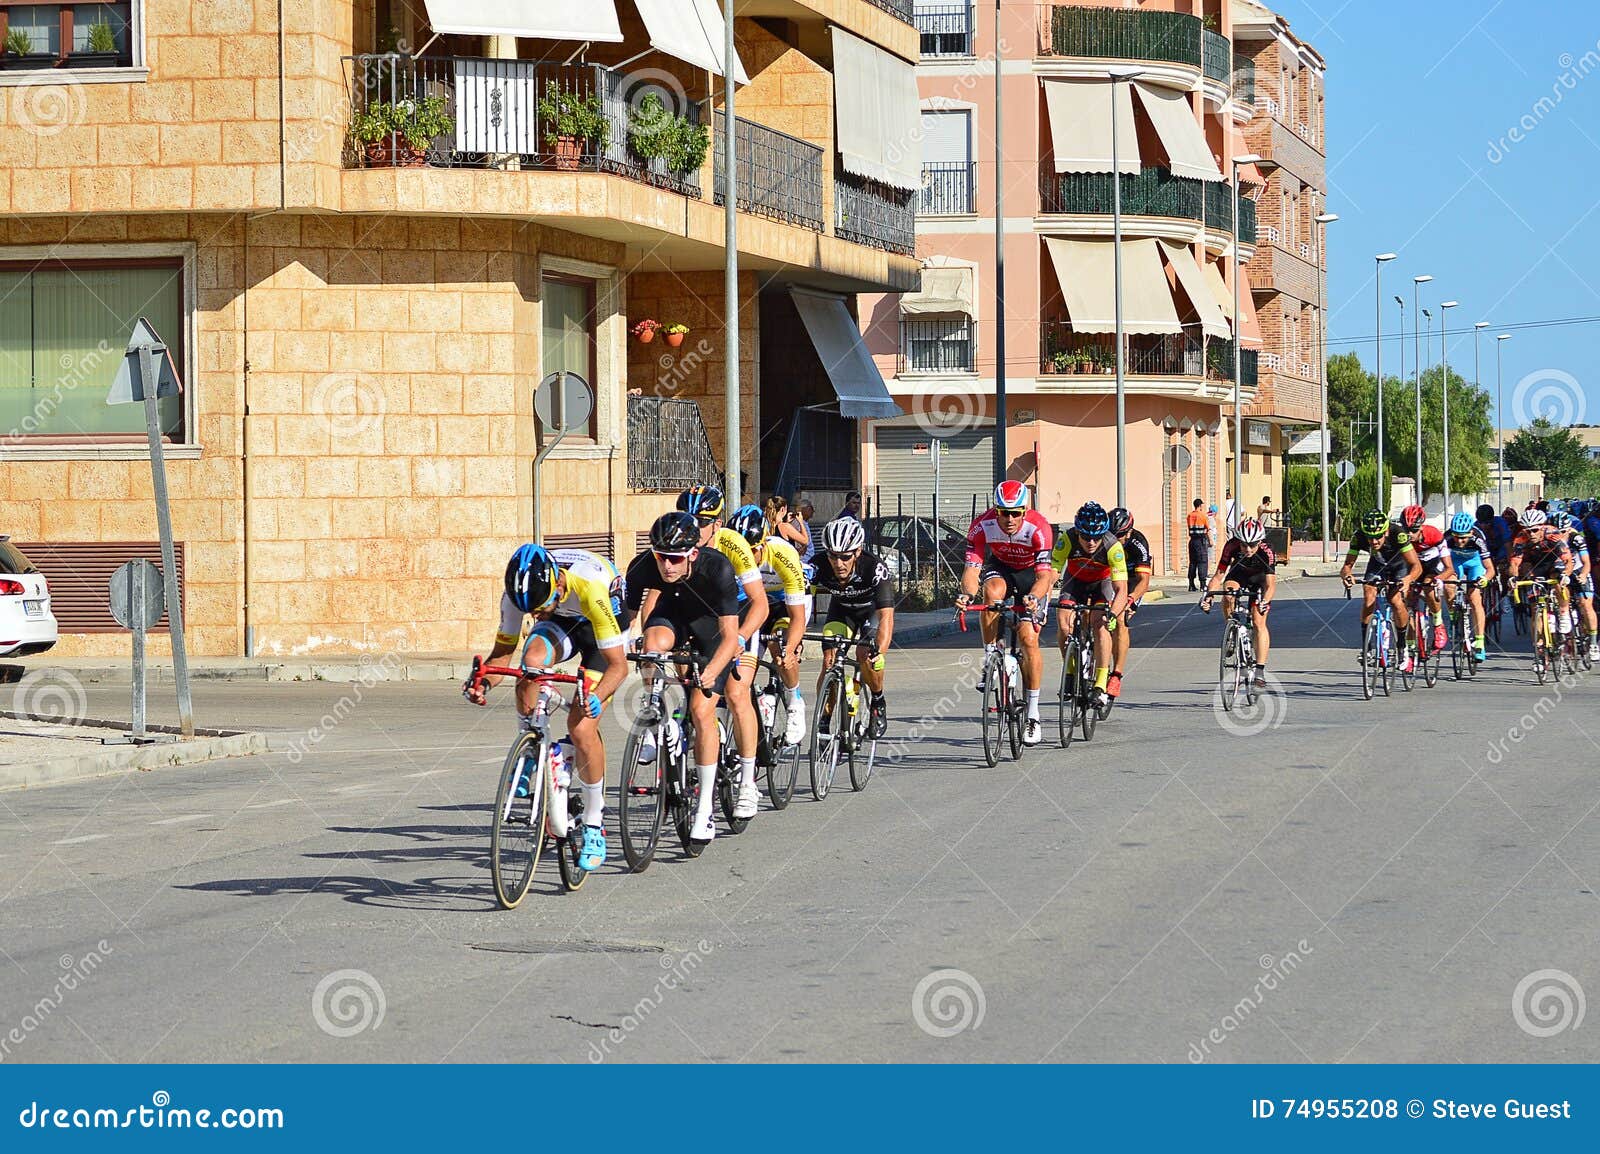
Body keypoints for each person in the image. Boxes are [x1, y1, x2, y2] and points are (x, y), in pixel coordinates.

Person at [465, 543, 630, 872]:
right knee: (531, 663)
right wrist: (483, 683)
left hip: (601, 625)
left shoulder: (590, 588)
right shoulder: (518, 597)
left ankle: (594, 823)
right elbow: (502, 656)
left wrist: (596, 697)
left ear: (558, 584)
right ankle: (531, 750)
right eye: (529, 611)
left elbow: (619, 667)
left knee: (581, 727)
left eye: (539, 607)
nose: (534, 615)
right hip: (562, 621)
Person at [624, 512, 744, 845]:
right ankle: (657, 714)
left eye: (675, 559)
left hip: (711, 627)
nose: (667, 566)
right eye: (661, 557)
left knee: (702, 711)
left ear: (692, 553)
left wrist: (712, 670)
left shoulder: (717, 568)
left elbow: (730, 637)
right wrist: (621, 648)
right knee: (651, 647)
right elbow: (626, 621)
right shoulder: (643, 566)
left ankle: (705, 809)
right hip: (673, 615)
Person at [674, 484, 767, 821]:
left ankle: (747, 783)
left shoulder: (733, 544)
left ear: (716, 523)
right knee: (687, 681)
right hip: (700, 617)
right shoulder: (676, 540)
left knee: (736, 692)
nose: (693, 528)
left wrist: (741, 637)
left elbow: (760, 603)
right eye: (688, 519)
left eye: (701, 522)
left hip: (737, 617)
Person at [956, 480, 1055, 744]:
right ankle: (990, 656)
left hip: (1031, 574)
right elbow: (972, 570)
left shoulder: (1039, 527)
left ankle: (1032, 714)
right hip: (1001, 568)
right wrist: (967, 595)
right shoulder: (982, 525)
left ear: (1024, 511)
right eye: (1003, 512)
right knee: (992, 592)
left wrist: (1034, 597)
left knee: (1028, 638)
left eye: (1015, 513)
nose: (1009, 519)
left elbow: (1045, 577)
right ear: (995, 510)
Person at [729, 503, 810, 744]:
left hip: (786, 603)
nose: (744, 558)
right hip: (752, 604)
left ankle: (794, 700)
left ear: (762, 545)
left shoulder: (783, 555)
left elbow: (798, 617)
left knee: (781, 646)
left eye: (750, 551)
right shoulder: (730, 553)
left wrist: (790, 649)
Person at [810, 517, 896, 737]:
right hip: (842, 611)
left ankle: (877, 700)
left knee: (865, 654)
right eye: (832, 555)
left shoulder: (874, 568)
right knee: (829, 661)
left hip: (870, 612)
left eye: (845, 557)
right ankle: (824, 720)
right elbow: (799, 600)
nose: (838, 563)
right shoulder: (817, 564)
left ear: (857, 551)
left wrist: (880, 652)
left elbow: (886, 616)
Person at [1050, 501, 1128, 710]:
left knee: (1100, 624)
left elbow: (1121, 589)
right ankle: (1070, 672)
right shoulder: (1067, 539)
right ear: (1078, 532)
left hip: (1102, 584)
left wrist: (1113, 614)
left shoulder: (1113, 547)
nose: (1091, 542)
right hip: (1075, 582)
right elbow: (1052, 574)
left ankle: (1101, 683)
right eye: (1085, 537)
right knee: (1063, 622)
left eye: (1096, 537)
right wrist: (1041, 600)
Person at [1339, 509, 1423, 673]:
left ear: (1386, 532)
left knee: (1395, 600)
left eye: (1378, 537)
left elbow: (1416, 566)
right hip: (1377, 565)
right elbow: (1347, 565)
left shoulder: (1398, 534)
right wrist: (1346, 576)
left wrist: (1407, 580)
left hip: (1399, 565)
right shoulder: (1358, 537)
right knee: (1368, 595)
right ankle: (1367, 647)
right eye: (1370, 537)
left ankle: (1402, 647)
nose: (1374, 541)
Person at [1201, 518, 1277, 689]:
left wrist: (1265, 602)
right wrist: (1208, 596)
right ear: (1238, 541)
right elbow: (1219, 576)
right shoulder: (1231, 546)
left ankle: (1259, 670)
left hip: (1260, 580)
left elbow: (1271, 585)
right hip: (1238, 575)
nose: (1248, 549)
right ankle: (1231, 629)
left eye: (1252, 545)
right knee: (1228, 594)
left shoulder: (1267, 550)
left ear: (1260, 541)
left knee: (1258, 621)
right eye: (1244, 545)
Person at [1510, 508, 1574, 656]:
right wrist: (1513, 578)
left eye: (1534, 530)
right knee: (1535, 609)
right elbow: (1514, 563)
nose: (1531, 534)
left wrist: (1566, 574)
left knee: (1558, 577)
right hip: (1534, 565)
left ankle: (1563, 612)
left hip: (1553, 562)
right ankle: (1539, 649)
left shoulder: (1552, 534)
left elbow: (1567, 560)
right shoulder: (1521, 538)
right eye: (1527, 531)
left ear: (1542, 526)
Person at [1106, 506, 1152, 700]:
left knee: (1120, 619)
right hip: (1111, 578)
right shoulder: (1103, 540)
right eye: (1112, 535)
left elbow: (1143, 581)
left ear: (1129, 532)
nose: (1115, 540)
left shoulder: (1138, 543)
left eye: (1120, 535)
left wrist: (1131, 600)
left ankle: (1116, 674)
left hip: (1132, 581)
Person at [1399, 505, 1451, 657]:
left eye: (1413, 530)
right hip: (1412, 568)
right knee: (1406, 604)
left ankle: (1438, 624)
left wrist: (1439, 579)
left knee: (1429, 586)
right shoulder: (1401, 537)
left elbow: (1449, 568)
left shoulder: (1433, 534)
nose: (1409, 534)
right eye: (1406, 530)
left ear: (1421, 527)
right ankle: (1410, 649)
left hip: (1431, 566)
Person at [1445, 511, 1495, 662]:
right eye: (1456, 537)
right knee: (1449, 586)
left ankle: (1479, 642)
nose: (1460, 541)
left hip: (1475, 564)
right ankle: (1453, 617)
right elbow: (1442, 564)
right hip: (1456, 562)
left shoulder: (1478, 539)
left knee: (1474, 598)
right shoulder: (1447, 538)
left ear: (1471, 533)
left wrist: (1485, 579)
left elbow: (1490, 569)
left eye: (1464, 538)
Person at [1186, 498, 1212, 592]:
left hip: (1192, 541)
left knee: (1193, 562)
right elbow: (1207, 529)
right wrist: (1210, 540)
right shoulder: (1203, 516)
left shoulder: (1189, 516)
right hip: (1201, 541)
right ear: (1200, 506)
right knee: (1202, 562)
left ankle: (1191, 584)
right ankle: (1202, 585)